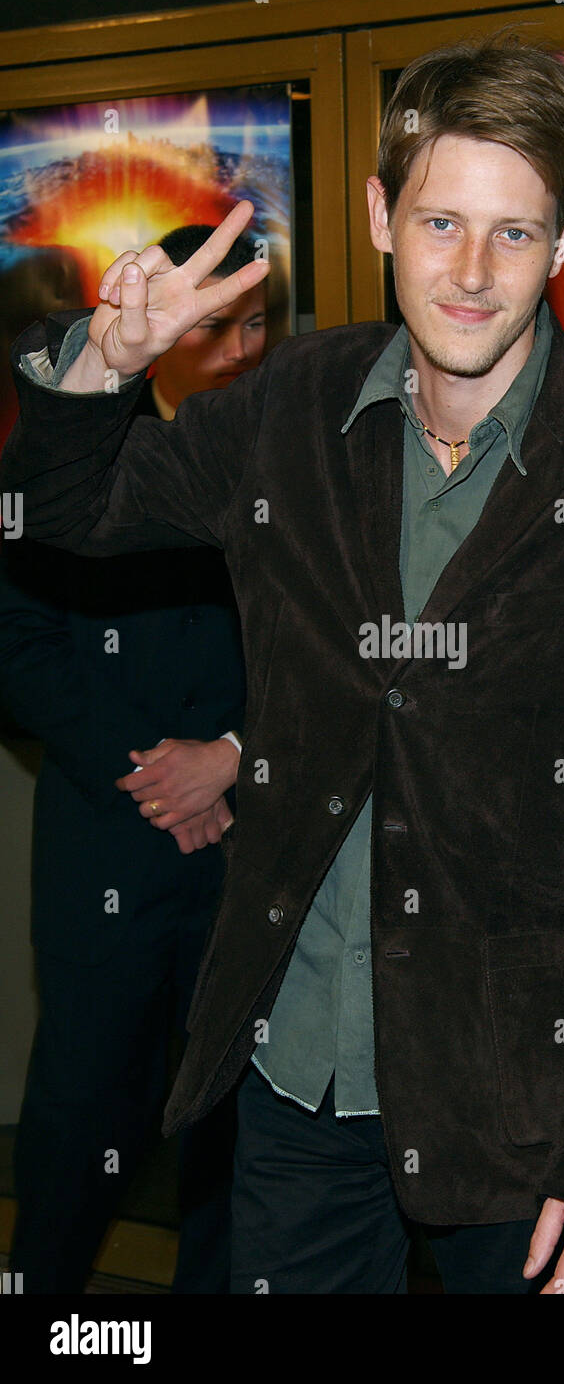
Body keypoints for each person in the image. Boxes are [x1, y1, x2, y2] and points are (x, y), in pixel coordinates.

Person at [0, 33, 564, 1295]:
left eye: (514, 234)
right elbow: (61, 517)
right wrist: (106, 364)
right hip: (296, 1081)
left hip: (523, 1112)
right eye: (440, 223)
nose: (469, 274)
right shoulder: (284, 408)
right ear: (377, 214)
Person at [0, 225, 271, 1293]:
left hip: (249, 841)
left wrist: (233, 761)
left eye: (258, 323)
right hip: (106, 836)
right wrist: (161, 774)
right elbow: (17, 647)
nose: (243, 348)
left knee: (234, 1110)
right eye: (219, 325)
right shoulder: (70, 460)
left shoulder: (290, 474)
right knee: (83, 1100)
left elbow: (337, 657)